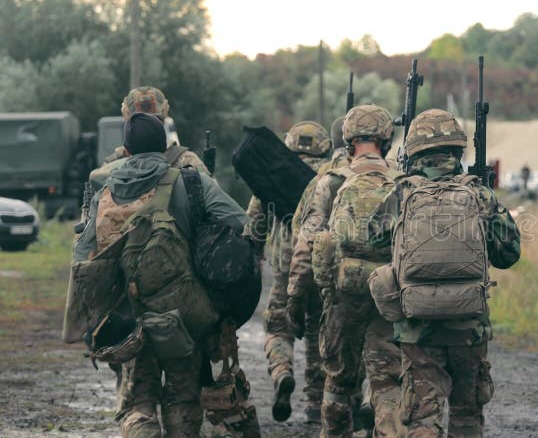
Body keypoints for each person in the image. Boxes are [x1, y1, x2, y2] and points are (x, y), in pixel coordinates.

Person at [73, 112, 251, 436]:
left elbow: (83, 256)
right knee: (183, 398)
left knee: (137, 402)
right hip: (184, 313)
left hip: (127, 319)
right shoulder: (189, 180)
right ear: (166, 146)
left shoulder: (104, 191)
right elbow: (239, 223)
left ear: (126, 151)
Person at [370, 109, 521, 437]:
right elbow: (509, 254)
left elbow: (373, 237)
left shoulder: (401, 193)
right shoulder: (479, 192)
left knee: (422, 417)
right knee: (467, 414)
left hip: (416, 327)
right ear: (457, 149)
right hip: (469, 326)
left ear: (414, 151)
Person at [286, 105, 406, 437]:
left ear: (347, 139)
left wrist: (294, 301)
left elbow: (306, 245)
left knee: (338, 382)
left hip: (342, 299)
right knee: (387, 382)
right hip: (389, 298)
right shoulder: (402, 182)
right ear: (386, 139)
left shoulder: (331, 181)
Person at [243, 120, 332, 423]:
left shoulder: (273, 172)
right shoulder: (330, 176)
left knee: (278, 327)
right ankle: (316, 406)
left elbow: (255, 222)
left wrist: (255, 255)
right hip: (321, 266)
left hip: (285, 267)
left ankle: (282, 371)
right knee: (320, 334)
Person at [88, 86, 209, 190]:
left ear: (126, 116)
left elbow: (92, 211)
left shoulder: (110, 165)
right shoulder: (187, 160)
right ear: (165, 113)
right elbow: (211, 204)